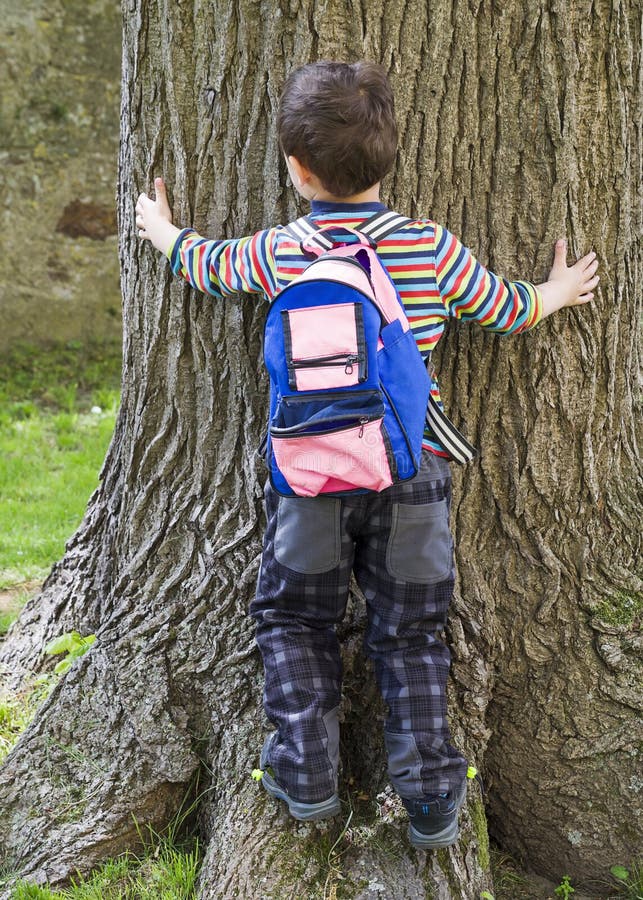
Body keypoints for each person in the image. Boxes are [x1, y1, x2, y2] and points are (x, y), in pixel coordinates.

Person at [135, 60, 598, 849]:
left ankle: (305, 777)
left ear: (294, 168)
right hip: (411, 472)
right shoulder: (428, 247)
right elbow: (504, 308)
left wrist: (164, 233)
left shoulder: (283, 250)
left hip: (309, 479)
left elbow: (208, 266)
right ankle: (429, 798)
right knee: (412, 632)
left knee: (293, 622)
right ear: (391, 159)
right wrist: (554, 292)